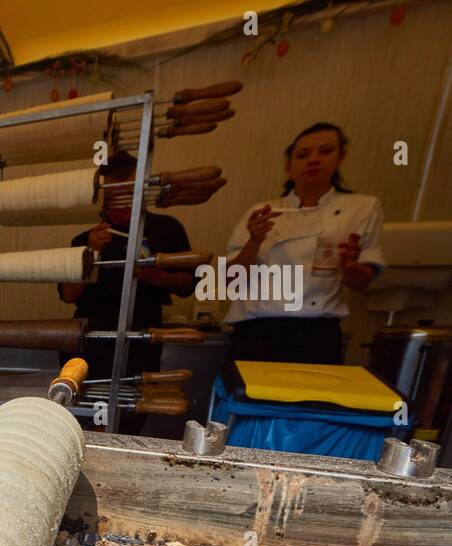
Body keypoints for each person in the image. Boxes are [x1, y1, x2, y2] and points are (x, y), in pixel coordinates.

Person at [224, 122, 385, 364]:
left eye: (325, 151)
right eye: (303, 155)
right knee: (247, 400)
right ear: (289, 167)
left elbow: (359, 283)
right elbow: (231, 280)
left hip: (317, 333)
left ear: (341, 157)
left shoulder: (362, 208)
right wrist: (254, 241)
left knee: (312, 401)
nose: (314, 160)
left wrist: (350, 266)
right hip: (256, 330)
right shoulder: (262, 211)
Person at [57, 152, 196, 431]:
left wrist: (157, 276)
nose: (121, 195)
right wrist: (92, 253)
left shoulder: (166, 230)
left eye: (129, 187)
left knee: (129, 421)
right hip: (88, 342)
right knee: (83, 424)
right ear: (102, 193)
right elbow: (68, 295)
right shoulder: (84, 239)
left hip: (141, 342)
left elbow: (188, 285)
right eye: (114, 188)